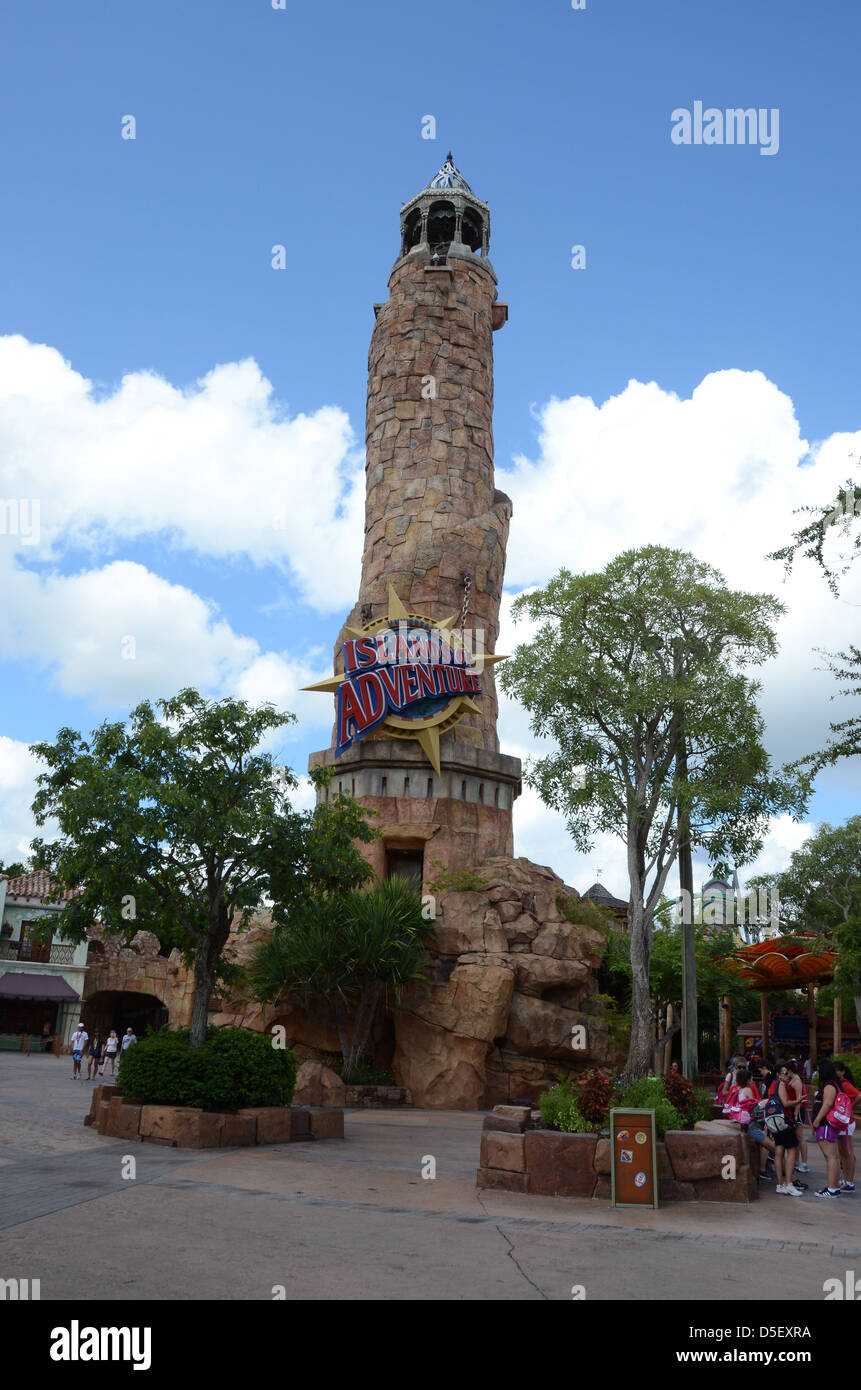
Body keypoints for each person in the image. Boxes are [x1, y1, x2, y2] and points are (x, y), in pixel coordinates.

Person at [812, 1060, 847, 1199]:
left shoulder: (829, 1086)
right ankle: (834, 1187)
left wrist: (817, 1120)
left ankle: (832, 1189)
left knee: (831, 1157)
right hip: (830, 1125)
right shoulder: (835, 1084)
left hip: (826, 1124)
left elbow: (827, 1104)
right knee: (834, 1157)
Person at [773, 1064, 804, 1195]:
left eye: (787, 1073)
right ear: (778, 1075)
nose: (787, 1075)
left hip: (775, 1122)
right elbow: (785, 1103)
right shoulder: (781, 1085)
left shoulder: (772, 1085)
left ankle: (780, 1184)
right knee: (792, 1151)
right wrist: (797, 1101)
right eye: (784, 1073)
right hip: (784, 1121)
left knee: (779, 1152)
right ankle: (788, 1183)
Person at [834, 1060, 858, 1193]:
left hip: (847, 1123)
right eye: (835, 1070)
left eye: (838, 1070)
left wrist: (850, 1108)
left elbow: (859, 1095)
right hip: (844, 1122)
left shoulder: (845, 1084)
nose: (836, 1072)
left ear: (843, 1071)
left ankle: (849, 1182)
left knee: (848, 1153)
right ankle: (847, 1180)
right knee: (844, 1153)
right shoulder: (840, 1084)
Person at [784, 1059, 810, 1172]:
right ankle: (796, 1161)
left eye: (786, 1071)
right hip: (793, 1109)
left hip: (798, 1110)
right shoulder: (792, 1079)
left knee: (800, 1137)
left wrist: (795, 1114)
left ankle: (804, 1163)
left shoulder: (797, 1081)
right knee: (796, 1137)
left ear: (790, 1070)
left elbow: (800, 1099)